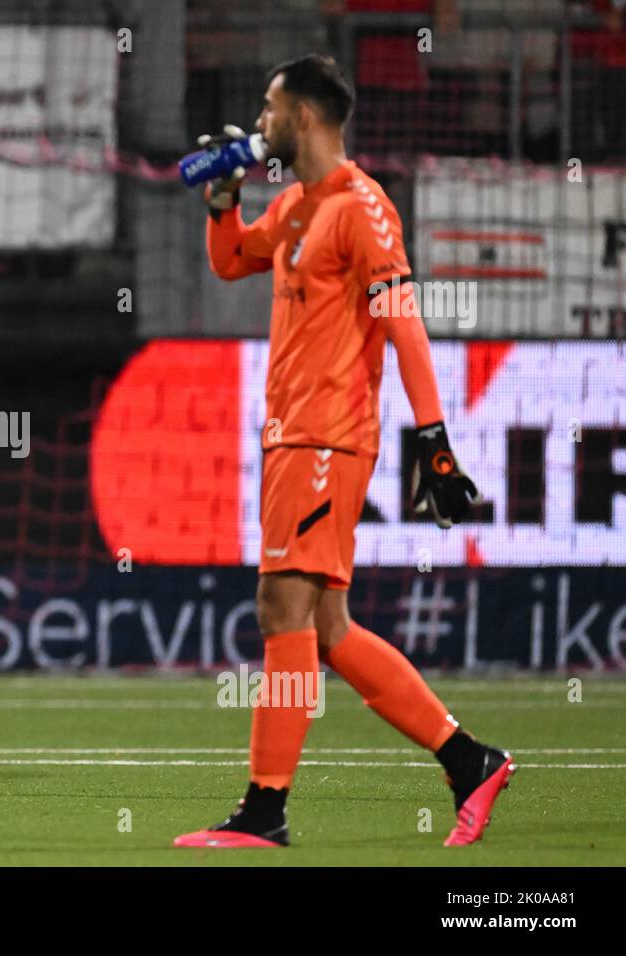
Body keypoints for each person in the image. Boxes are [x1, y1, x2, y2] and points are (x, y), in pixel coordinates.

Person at [174, 55, 511, 848]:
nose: (259, 124)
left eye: (268, 109)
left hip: (327, 434)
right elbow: (231, 263)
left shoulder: (363, 208)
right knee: (327, 626)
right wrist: (222, 202)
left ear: (307, 118)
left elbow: (403, 321)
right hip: (292, 434)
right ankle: (471, 762)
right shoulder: (295, 203)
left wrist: (434, 443)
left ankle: (265, 811)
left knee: (280, 609)